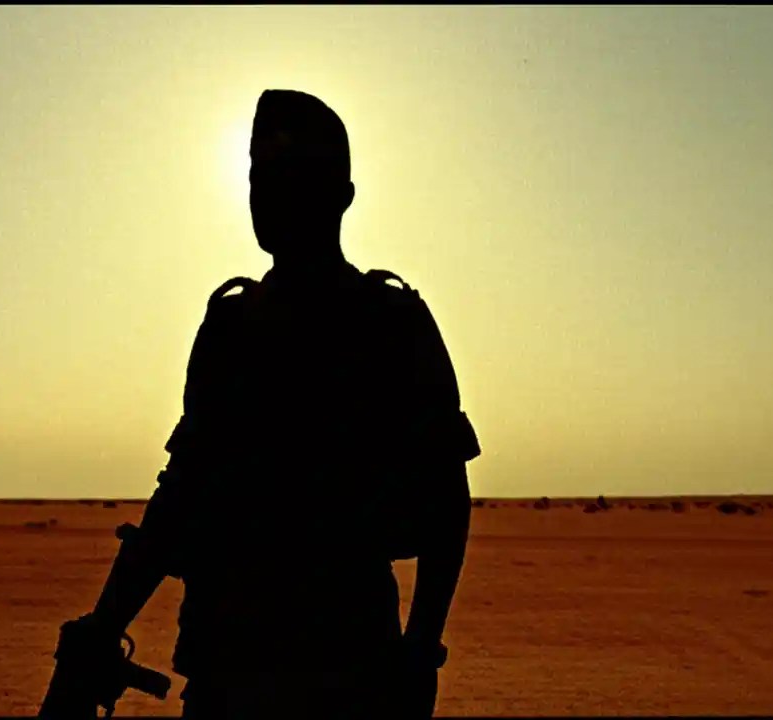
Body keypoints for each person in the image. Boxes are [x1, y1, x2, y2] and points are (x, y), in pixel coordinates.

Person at [47, 89, 480, 720]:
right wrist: (104, 623)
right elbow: (182, 495)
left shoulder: (392, 323)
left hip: (349, 664)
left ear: (343, 196)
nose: (271, 195)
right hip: (230, 664)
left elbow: (445, 502)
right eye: (260, 177)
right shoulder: (230, 326)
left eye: (294, 176)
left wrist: (419, 649)